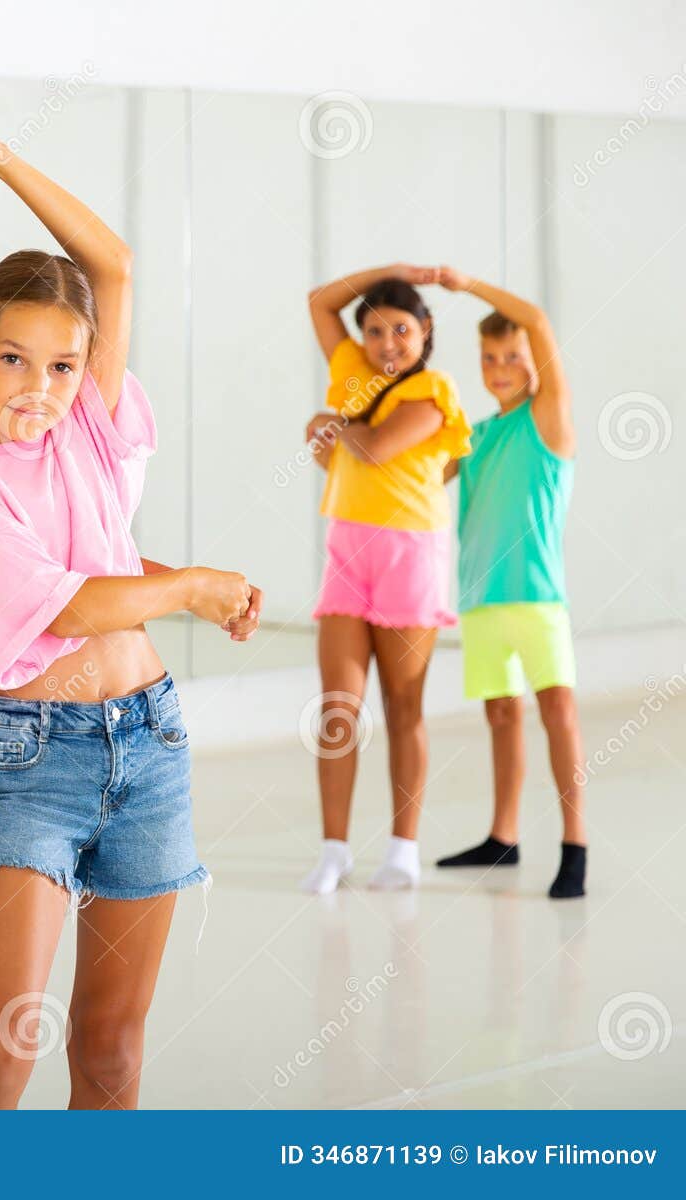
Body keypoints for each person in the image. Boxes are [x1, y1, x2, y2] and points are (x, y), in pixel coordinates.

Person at [0, 105, 258, 1109]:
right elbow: (64, 602)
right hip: (35, 761)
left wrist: (2, 156)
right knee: (1, 1048)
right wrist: (190, 585)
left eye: (64, 365)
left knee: (107, 1051)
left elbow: (111, 264)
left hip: (151, 744)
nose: (41, 387)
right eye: (13, 357)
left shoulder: (86, 432)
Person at [300, 265, 471, 893]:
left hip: (410, 557)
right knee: (339, 708)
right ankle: (334, 849)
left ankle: (403, 848)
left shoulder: (434, 390)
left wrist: (326, 425)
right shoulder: (352, 371)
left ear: (425, 331)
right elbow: (320, 302)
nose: (388, 342)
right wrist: (394, 272)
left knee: (404, 707)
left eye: (401, 329)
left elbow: (374, 448)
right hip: (348, 550)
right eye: (374, 330)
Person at [433, 266, 585, 898]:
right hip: (481, 597)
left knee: (556, 711)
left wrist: (468, 287)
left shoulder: (547, 418)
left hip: (537, 597)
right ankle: (504, 836)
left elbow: (540, 324)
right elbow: (417, 475)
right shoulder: (476, 433)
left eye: (512, 357)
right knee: (500, 715)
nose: (500, 369)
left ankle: (574, 845)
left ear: (532, 363)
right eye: (490, 358)